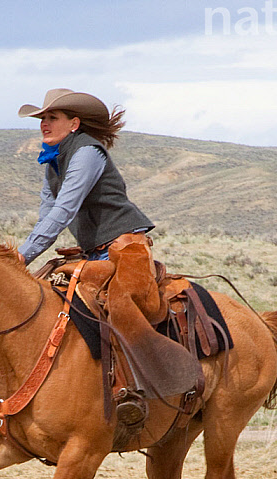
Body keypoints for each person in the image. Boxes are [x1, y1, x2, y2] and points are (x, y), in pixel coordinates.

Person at [17, 89, 200, 424]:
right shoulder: (52, 160)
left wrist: (21, 257)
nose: (44, 124)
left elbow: (64, 210)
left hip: (124, 247)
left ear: (74, 123)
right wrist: (20, 259)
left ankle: (132, 391)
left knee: (119, 306)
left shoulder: (87, 151)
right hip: (93, 252)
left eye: (51, 117)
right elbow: (47, 216)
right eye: (41, 118)